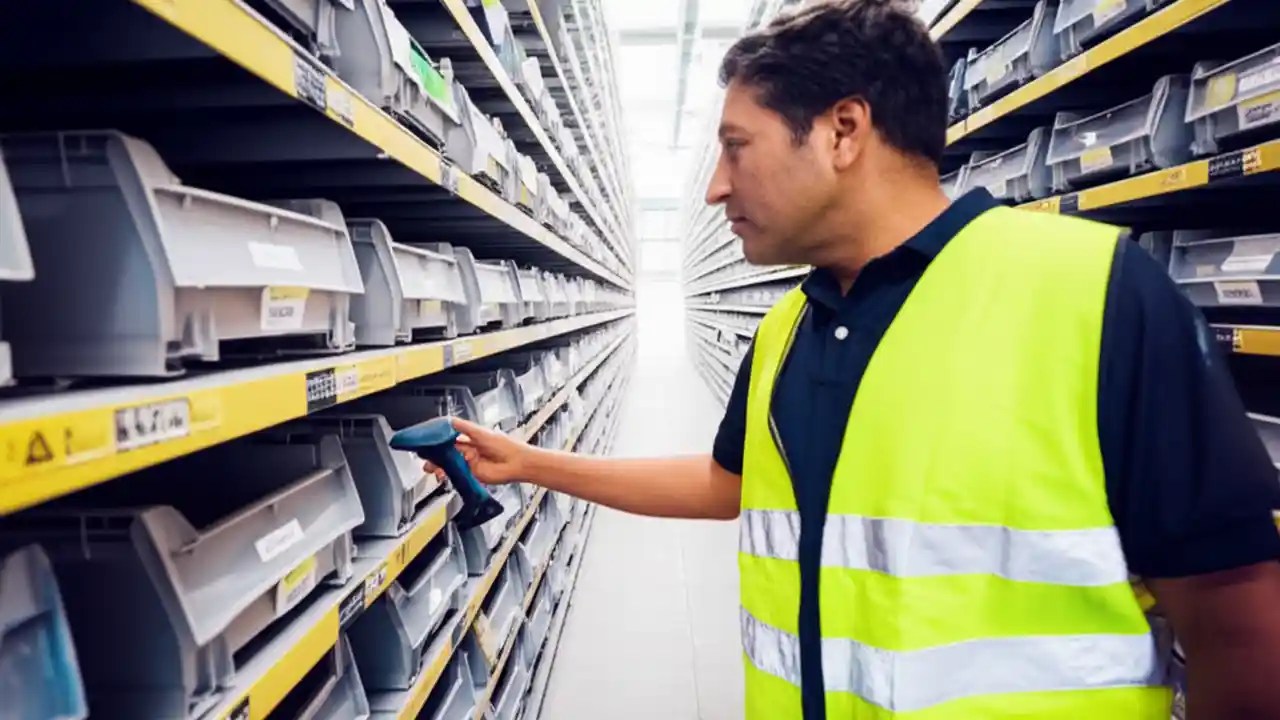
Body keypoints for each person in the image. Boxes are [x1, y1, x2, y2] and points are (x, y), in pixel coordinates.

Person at [427, 0, 1280, 717]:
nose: (717, 188)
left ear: (842, 131)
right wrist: (533, 464)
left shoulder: (1096, 294)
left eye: (736, 147)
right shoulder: (788, 327)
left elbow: (1238, 622)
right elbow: (731, 484)